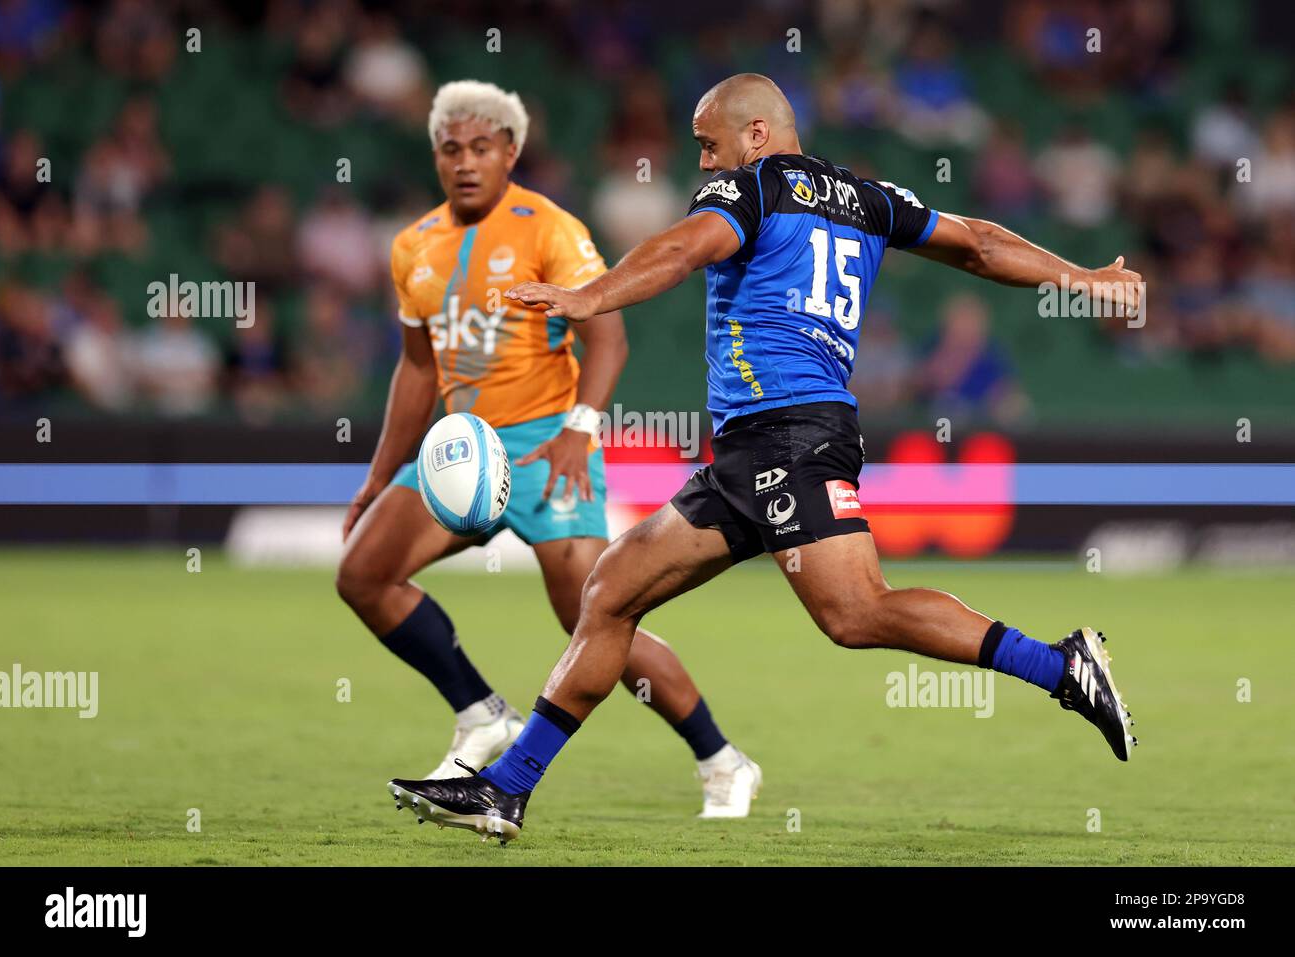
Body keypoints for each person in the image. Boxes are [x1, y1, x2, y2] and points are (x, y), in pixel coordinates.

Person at [389, 74, 1140, 844]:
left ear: (754, 135)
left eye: (710, 146)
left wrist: (594, 296)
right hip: (760, 446)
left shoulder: (750, 189)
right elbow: (979, 242)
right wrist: (1079, 278)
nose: (704, 163)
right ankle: (506, 791)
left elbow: (684, 249)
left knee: (856, 613)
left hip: (787, 437)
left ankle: (1061, 666)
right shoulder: (870, 196)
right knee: (610, 590)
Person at [339, 80, 760, 820]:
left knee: (596, 616)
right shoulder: (412, 247)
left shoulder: (549, 228)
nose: (466, 162)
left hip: (546, 444)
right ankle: (479, 711)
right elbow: (416, 367)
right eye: (450, 149)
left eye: (481, 147)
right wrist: (379, 475)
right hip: (461, 452)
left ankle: (721, 758)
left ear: (510, 151)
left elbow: (609, 333)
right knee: (363, 574)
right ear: (436, 156)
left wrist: (580, 429)